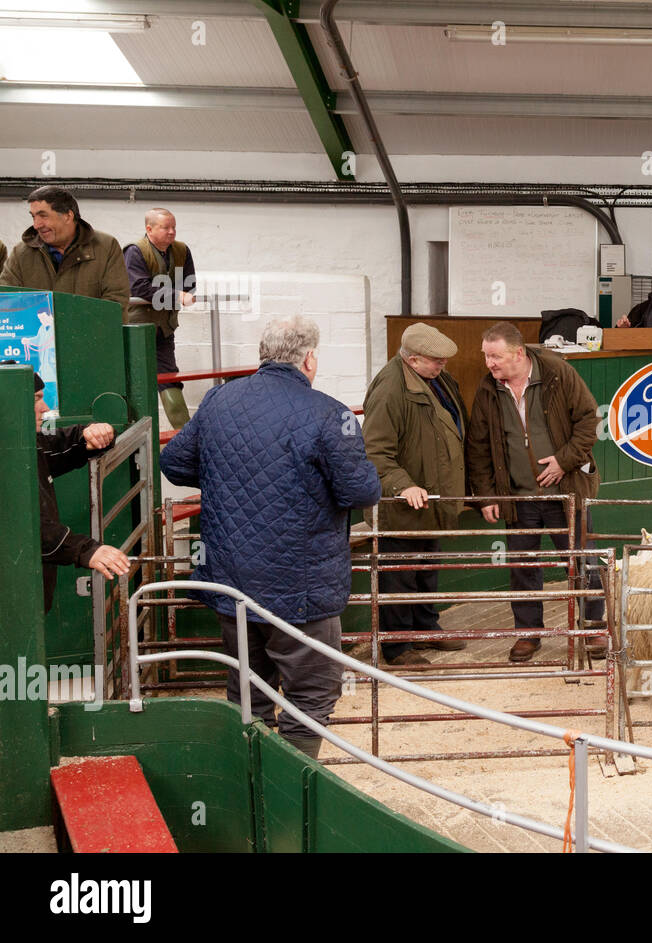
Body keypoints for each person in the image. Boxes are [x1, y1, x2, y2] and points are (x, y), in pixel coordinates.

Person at [159, 316, 381, 758]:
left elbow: (175, 463)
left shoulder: (219, 400)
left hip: (231, 581)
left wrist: (231, 479)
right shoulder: (330, 413)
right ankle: (292, 784)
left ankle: (251, 782)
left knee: (249, 691)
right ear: (309, 358)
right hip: (301, 585)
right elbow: (360, 491)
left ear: (264, 354)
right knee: (311, 693)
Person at [465, 321, 603, 664]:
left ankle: (594, 627)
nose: (489, 363)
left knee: (583, 560)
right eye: (486, 356)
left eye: (495, 356)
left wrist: (563, 461)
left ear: (518, 353)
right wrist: (486, 496)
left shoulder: (558, 373)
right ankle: (528, 633)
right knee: (523, 566)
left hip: (565, 491)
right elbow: (478, 446)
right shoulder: (488, 388)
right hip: (518, 496)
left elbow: (589, 420)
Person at [362, 323, 468, 666]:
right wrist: (402, 485)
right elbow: (374, 451)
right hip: (402, 505)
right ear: (412, 359)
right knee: (399, 576)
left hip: (431, 502)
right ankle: (397, 646)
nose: (443, 365)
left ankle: (425, 628)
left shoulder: (437, 379)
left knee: (425, 569)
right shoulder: (390, 389)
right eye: (436, 360)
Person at [13, 364, 131, 612]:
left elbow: (55, 444)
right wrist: (85, 550)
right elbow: (25, 527)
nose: (45, 408)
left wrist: (91, 435)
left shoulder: (21, 440)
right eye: (35, 399)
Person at [123, 208, 198, 430]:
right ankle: (132, 435)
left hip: (165, 328)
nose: (172, 232)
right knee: (134, 382)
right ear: (149, 229)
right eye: (166, 227)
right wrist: (175, 296)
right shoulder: (135, 251)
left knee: (168, 378)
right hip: (137, 328)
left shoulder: (181, 251)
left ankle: (183, 434)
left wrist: (179, 294)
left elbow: (189, 284)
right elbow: (139, 287)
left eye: (174, 227)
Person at [0, 186, 129, 312]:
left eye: (43, 216)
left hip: (91, 327)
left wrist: (73, 324)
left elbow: (116, 302)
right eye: (33, 217)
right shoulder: (20, 253)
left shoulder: (106, 247)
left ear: (68, 216)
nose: (36, 225)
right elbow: (5, 301)